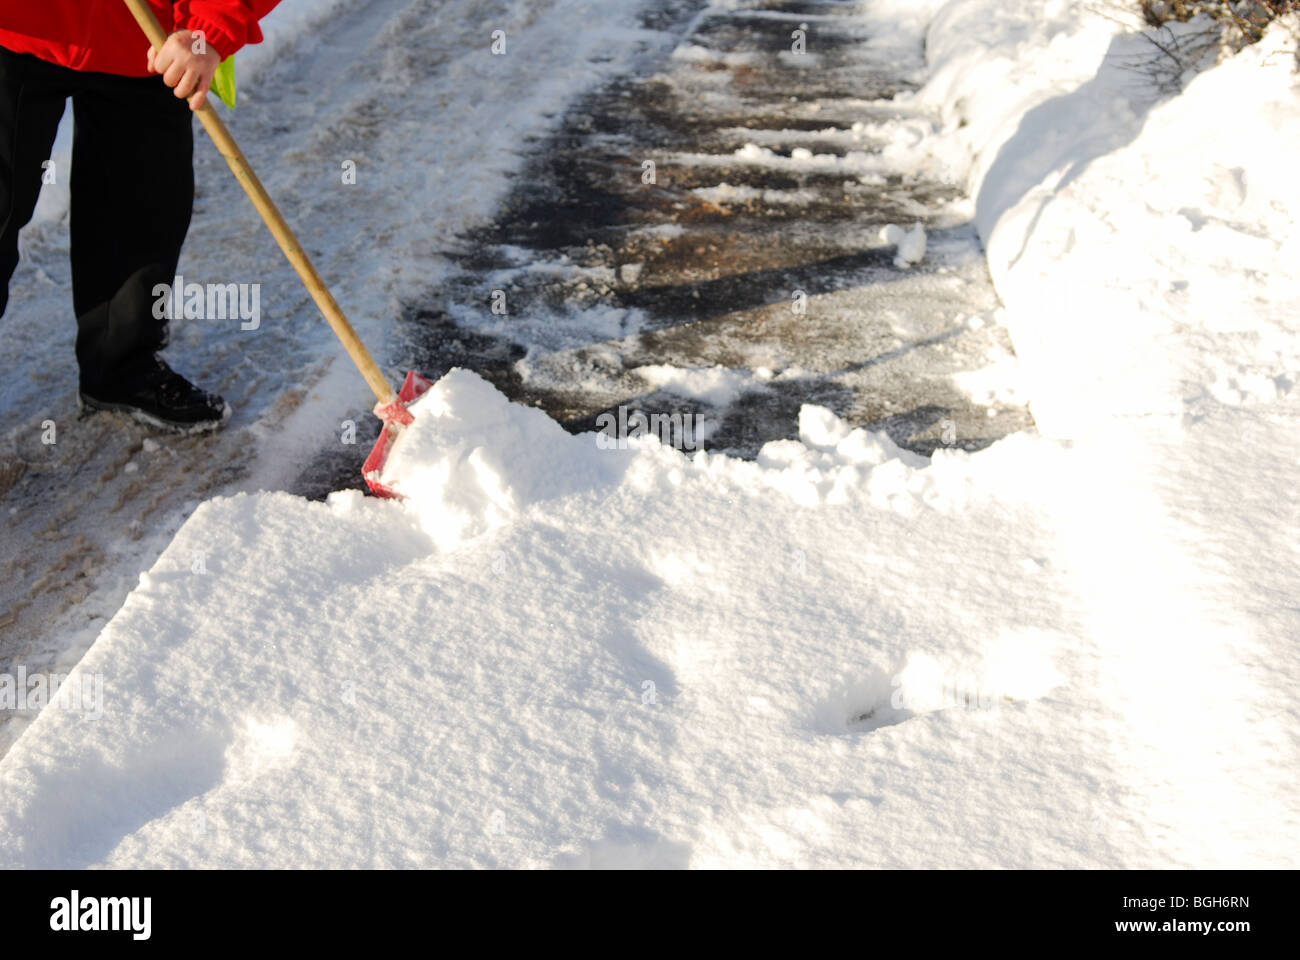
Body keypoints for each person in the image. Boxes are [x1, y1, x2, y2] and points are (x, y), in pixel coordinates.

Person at [0, 1, 280, 432]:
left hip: (151, 41)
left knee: (139, 214)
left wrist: (209, 28)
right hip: (16, 26)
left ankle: (120, 370)